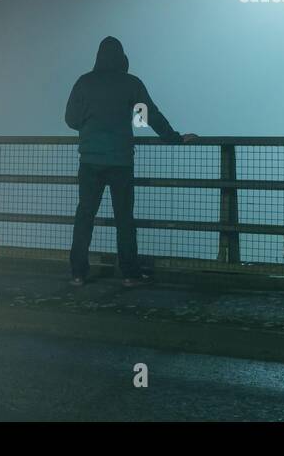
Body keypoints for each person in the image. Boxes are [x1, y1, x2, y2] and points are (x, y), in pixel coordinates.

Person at [63, 36, 195, 287]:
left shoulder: (84, 82)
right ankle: (129, 273)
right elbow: (151, 115)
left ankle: (78, 273)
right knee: (124, 218)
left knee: (85, 216)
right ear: (122, 59)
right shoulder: (131, 83)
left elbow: (70, 119)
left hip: (90, 161)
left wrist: (90, 123)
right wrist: (174, 138)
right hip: (121, 161)